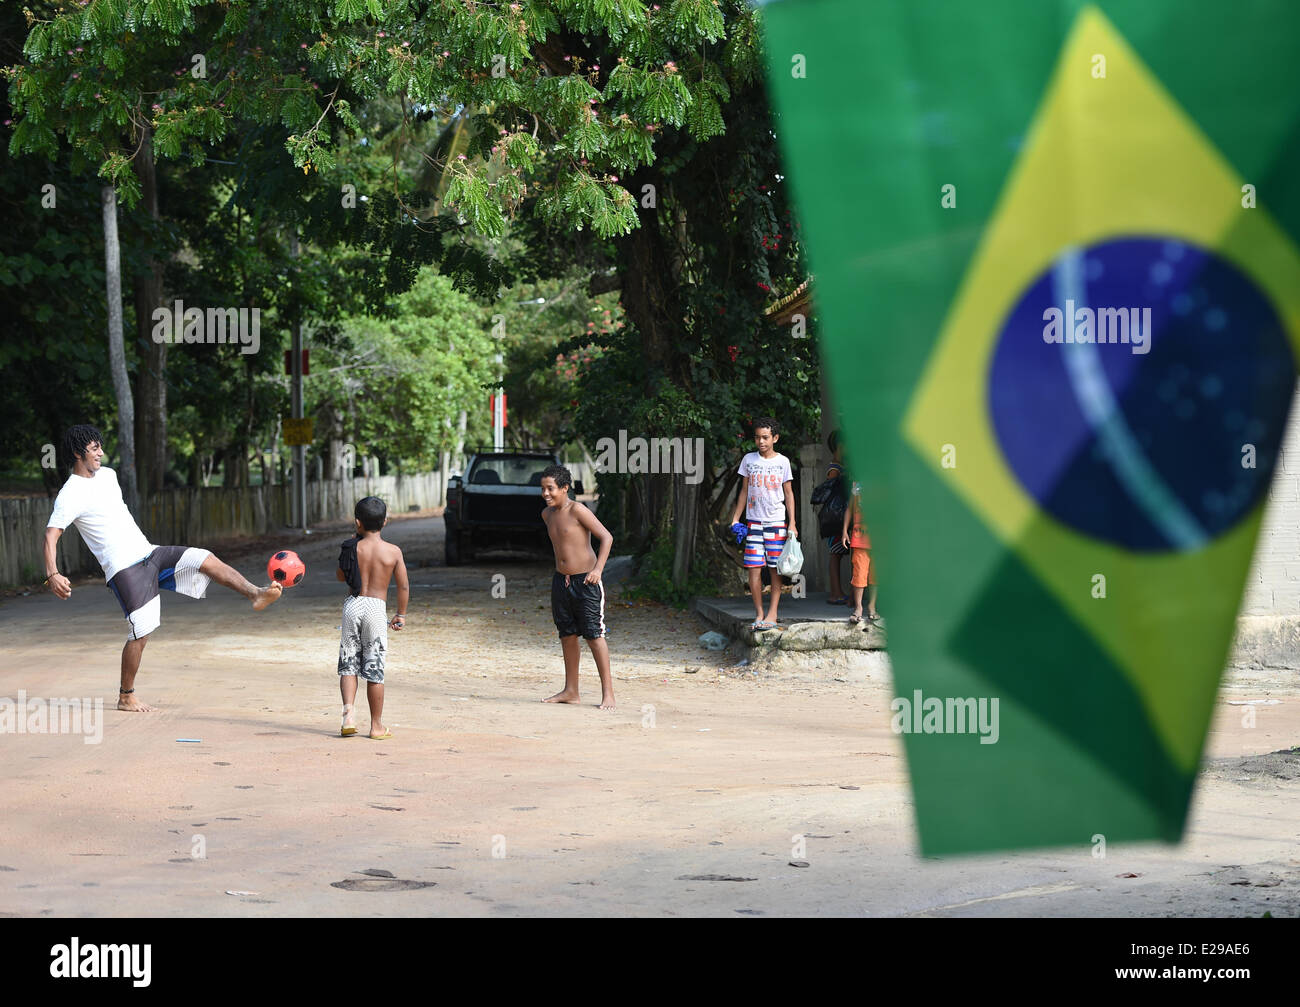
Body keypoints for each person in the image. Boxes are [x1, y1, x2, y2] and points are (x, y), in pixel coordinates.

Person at [41, 424, 282, 713]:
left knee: (204, 557)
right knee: (141, 633)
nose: (101, 453)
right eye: (95, 449)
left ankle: (255, 593)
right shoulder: (70, 493)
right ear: (78, 454)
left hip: (150, 552)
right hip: (124, 569)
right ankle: (126, 696)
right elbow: (51, 535)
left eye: (100, 447)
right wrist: (52, 574)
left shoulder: (108, 476)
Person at [538, 464, 616, 710]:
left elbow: (606, 537)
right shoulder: (546, 514)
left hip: (587, 582)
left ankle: (609, 694)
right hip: (561, 581)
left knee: (594, 635)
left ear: (564, 488)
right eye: (543, 489)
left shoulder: (578, 510)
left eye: (550, 489)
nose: (546, 494)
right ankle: (571, 691)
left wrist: (597, 570)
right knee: (567, 634)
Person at [335, 495, 408, 739]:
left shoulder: (350, 547)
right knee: (374, 668)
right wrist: (401, 614)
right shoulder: (393, 552)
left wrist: (354, 543)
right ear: (385, 521)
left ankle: (348, 717)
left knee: (349, 665)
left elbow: (340, 576)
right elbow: (403, 587)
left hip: (352, 605)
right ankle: (376, 726)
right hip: (377, 609)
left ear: (357, 522)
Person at [729, 416, 798, 630]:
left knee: (775, 569)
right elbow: (744, 491)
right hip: (754, 523)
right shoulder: (749, 460)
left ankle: (773, 613)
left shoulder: (783, 462)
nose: (761, 442)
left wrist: (792, 523)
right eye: (758, 437)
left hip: (776, 521)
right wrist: (735, 519)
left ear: (775, 438)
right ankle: (759, 612)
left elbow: (789, 494)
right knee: (753, 568)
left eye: (766, 437)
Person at [842, 479, 879, 625]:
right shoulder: (858, 483)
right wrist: (844, 531)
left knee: (876, 574)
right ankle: (858, 607)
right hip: (859, 536)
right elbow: (850, 508)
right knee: (859, 572)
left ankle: (872, 606)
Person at [821, 429, 849, 605]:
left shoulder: (839, 467)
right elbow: (831, 491)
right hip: (835, 519)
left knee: (837, 554)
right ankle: (836, 592)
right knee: (835, 555)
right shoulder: (835, 469)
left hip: (838, 519)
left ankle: (838, 592)